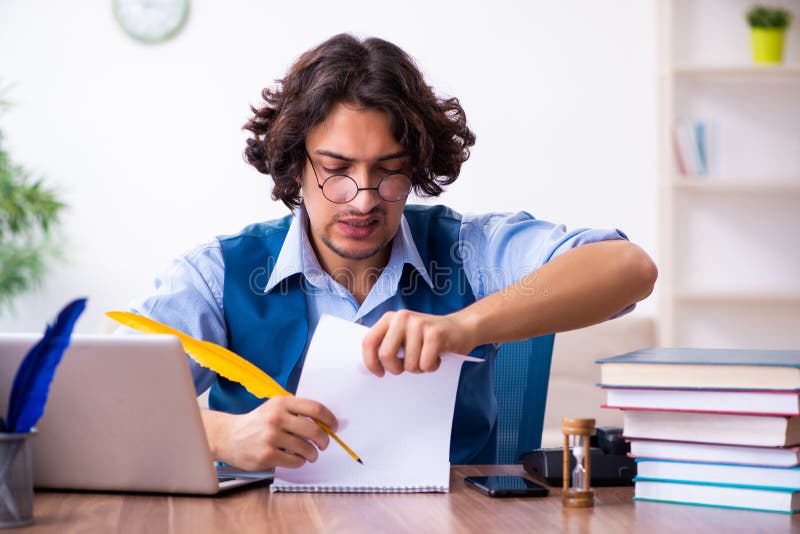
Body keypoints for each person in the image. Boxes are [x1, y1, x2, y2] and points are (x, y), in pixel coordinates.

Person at [128, 33, 657, 471]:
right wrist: (219, 434)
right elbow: (104, 402)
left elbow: (627, 267)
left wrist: (465, 327)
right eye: (336, 170)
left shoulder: (470, 251)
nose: (363, 199)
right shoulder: (216, 274)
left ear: (417, 167)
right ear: (295, 164)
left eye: (389, 171)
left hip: (449, 520)